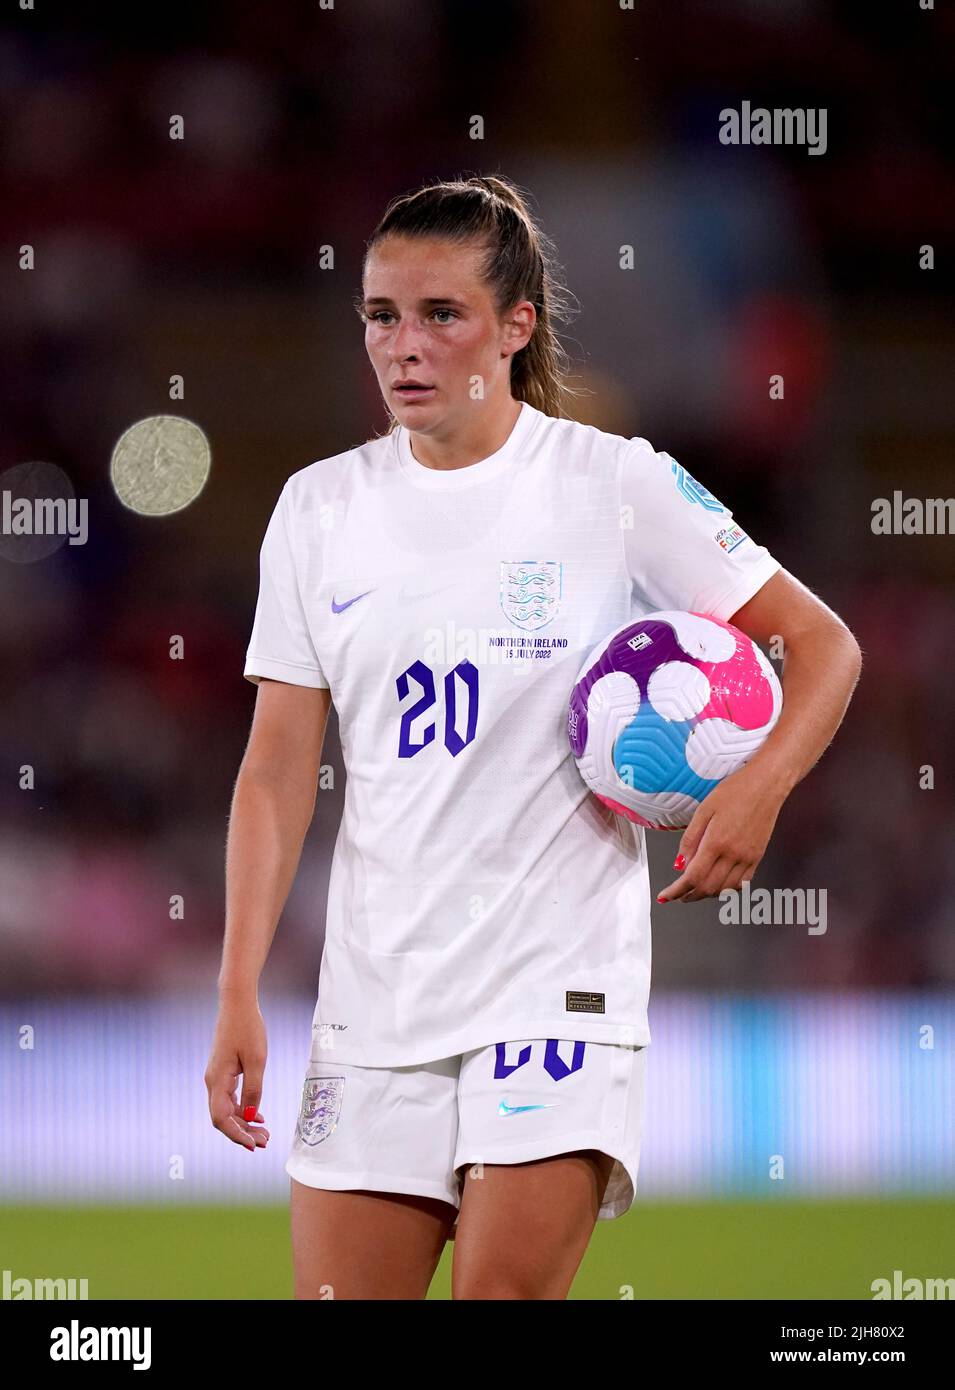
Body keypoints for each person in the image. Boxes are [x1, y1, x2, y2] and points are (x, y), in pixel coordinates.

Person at [205, 173, 862, 1300]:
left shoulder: (614, 485)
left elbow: (823, 645)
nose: (402, 346)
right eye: (379, 316)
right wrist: (236, 986)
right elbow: (274, 772)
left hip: (553, 988)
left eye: (439, 314)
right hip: (377, 999)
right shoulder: (317, 509)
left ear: (514, 327)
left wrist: (755, 790)